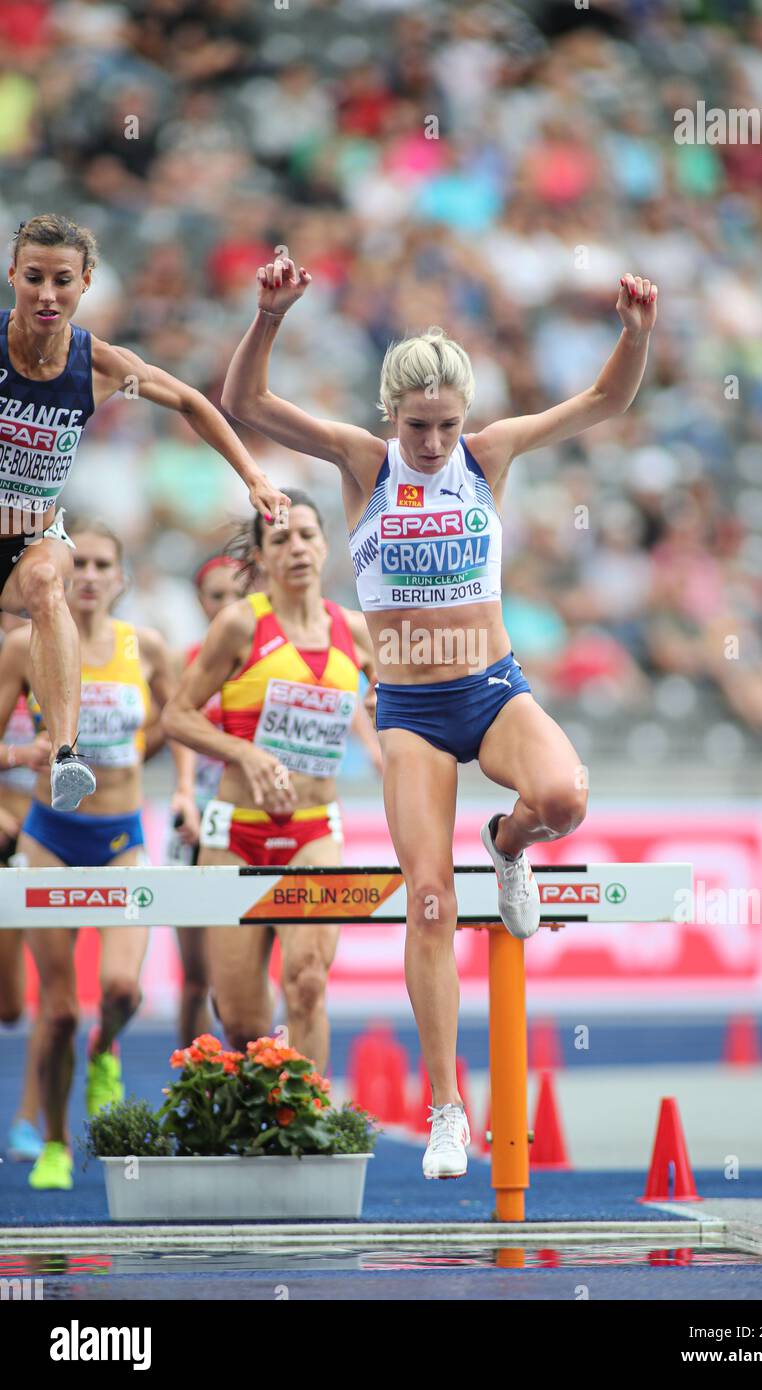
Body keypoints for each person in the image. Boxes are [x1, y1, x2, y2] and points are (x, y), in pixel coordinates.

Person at [220, 253, 657, 1178]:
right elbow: (247, 404)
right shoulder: (363, 462)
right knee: (427, 899)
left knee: (566, 798)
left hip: (491, 686)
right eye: (418, 426)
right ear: (391, 417)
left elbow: (601, 405)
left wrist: (636, 335)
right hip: (412, 709)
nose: (431, 443)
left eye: (446, 426)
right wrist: (269, 318)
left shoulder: (487, 455)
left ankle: (507, 843)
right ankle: (449, 1108)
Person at [1, 213, 285, 817]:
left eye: (62, 280)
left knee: (52, 582)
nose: (47, 295)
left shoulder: (100, 365)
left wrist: (253, 475)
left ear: (86, 283)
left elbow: (188, 400)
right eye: (33, 278)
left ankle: (65, 754)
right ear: (11, 277)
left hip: (32, 539)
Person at [163, 490, 378, 1074]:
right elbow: (176, 716)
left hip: (313, 830)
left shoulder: (355, 632)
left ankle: (310, 1133)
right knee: (240, 1018)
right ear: (261, 556)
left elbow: (397, 705)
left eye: (308, 535)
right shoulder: (239, 625)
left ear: (326, 546)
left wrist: (386, 714)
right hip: (234, 834)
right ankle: (257, 1127)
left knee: (307, 982)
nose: (298, 548)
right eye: (281, 539)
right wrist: (246, 755)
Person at [0, 520, 177, 1189]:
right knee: (59, 1007)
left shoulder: (150, 648)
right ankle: (52, 1142)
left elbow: (181, 722)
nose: (94, 576)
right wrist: (24, 754)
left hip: (120, 837)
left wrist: (164, 770)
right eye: (85, 565)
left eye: (106, 564)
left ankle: (105, 1051)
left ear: (123, 578)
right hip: (50, 835)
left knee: (123, 988)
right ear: (65, 576)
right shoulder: (23, 648)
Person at [167, 553, 245, 1045]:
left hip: (250, 821)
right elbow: (175, 730)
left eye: (238, 595)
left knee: (235, 982)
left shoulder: (272, 658)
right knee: (197, 978)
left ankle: (255, 1090)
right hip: (193, 818)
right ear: (200, 603)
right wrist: (183, 793)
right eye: (217, 597)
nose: (228, 606)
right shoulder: (185, 662)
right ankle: (194, 1098)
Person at [0, 612, 50, 1161]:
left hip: (44, 835)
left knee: (41, 1002)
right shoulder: (13, 652)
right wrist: (18, 755)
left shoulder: (62, 646)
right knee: (8, 1006)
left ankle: (27, 1119)